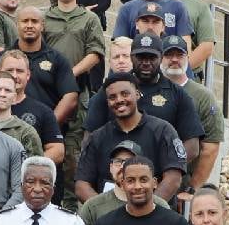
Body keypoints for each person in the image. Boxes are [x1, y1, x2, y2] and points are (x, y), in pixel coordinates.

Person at [84, 31, 203, 160]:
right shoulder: (109, 90)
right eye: (140, 57)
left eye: (152, 57)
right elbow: (89, 138)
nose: (146, 62)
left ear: (161, 57)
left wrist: (167, 168)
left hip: (159, 175)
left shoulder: (178, 94)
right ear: (131, 57)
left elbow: (192, 147)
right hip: (113, 172)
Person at [44, 0, 109, 205]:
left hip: (77, 93)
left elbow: (96, 53)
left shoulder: (89, 19)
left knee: (73, 155)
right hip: (47, 95)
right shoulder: (43, 19)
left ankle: (71, 207)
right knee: (45, 151)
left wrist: (69, 74)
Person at [75, 72, 187, 204]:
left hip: (153, 216)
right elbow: (82, 185)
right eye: (112, 97)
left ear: (138, 94)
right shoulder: (97, 137)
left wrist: (146, 211)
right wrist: (104, 211)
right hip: (108, 219)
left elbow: (173, 178)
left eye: (125, 94)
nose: (119, 100)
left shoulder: (162, 130)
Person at [0, 7, 80, 130]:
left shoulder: (58, 59)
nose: (29, 25)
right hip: (4, 131)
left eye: (34, 21)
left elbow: (70, 97)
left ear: (42, 25)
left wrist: (48, 127)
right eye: (25, 21)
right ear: (16, 24)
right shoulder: (0, 60)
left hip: (46, 133)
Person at [160, 35, 222, 190]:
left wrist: (192, 189)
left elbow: (210, 148)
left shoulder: (203, 96)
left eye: (179, 55)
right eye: (168, 55)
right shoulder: (148, 91)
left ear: (187, 57)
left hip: (183, 182)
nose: (174, 59)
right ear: (160, 58)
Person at [76, 142, 170, 225]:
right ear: (111, 167)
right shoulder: (92, 207)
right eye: (118, 161)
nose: (122, 166)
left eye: (129, 161)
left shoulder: (160, 205)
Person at [165, 0, 215, 78]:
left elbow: (207, 46)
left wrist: (180, 69)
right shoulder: (151, 3)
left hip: (188, 78)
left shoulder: (200, 8)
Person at [0, 70, 43, 158]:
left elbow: (35, 168)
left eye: (7, 90)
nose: (2, 94)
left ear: (14, 97)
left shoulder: (26, 132)